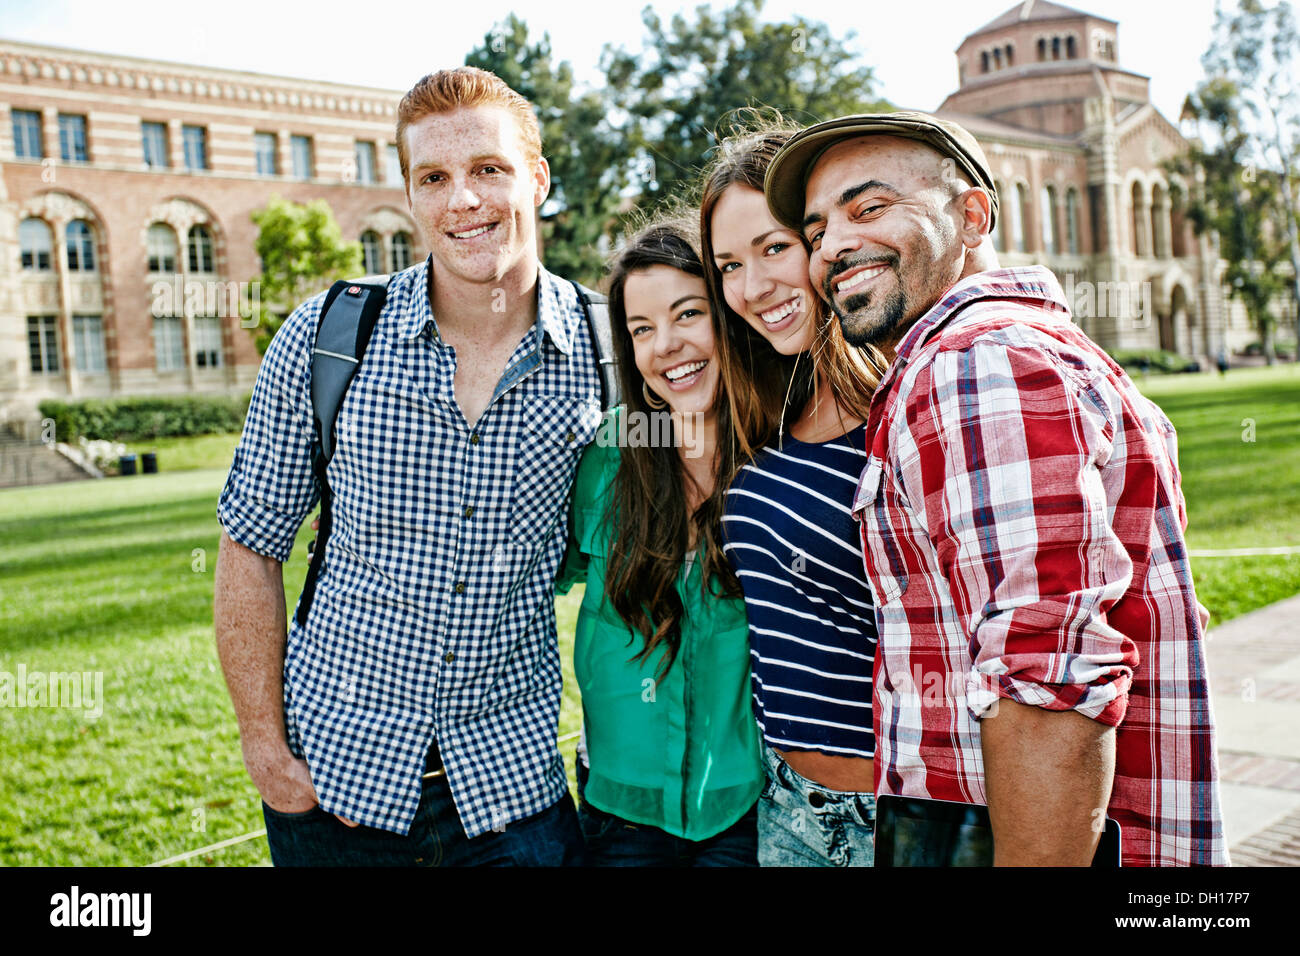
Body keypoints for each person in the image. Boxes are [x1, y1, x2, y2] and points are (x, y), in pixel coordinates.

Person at [764, 110, 1228, 866]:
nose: (835, 246)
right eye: (816, 233)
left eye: (869, 208)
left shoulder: (978, 366)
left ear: (973, 214)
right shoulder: (993, 352)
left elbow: (1044, 682)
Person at [213, 67, 603, 866]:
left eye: (487, 169)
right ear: (411, 194)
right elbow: (251, 543)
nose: (463, 201)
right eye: (434, 177)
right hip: (331, 792)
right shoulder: (329, 336)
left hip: (513, 801)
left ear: (536, 177)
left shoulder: (611, 352)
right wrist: (266, 751)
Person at [701, 125, 887, 867]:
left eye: (773, 249)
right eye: (727, 265)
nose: (750, 288)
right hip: (786, 812)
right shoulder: (767, 408)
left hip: (904, 817)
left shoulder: (904, 404)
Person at [558, 218, 763, 866]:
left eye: (687, 315)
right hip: (620, 816)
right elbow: (529, 578)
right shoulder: (608, 454)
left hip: (748, 808)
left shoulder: (781, 456)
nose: (666, 346)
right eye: (642, 329)